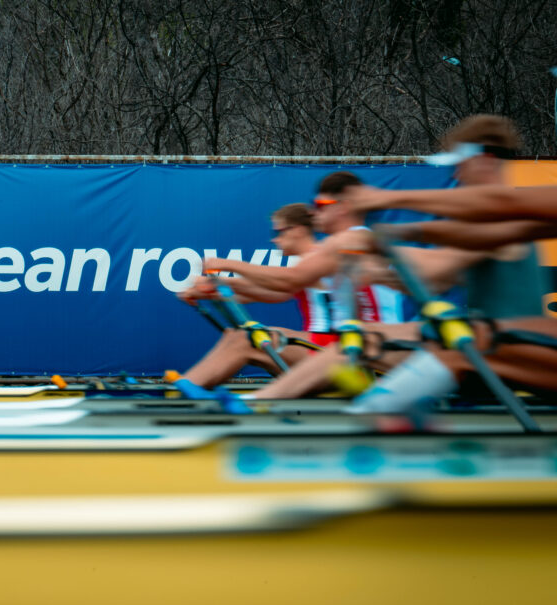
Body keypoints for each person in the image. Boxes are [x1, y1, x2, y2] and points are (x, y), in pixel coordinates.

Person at [252, 115, 548, 400]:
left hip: (504, 350)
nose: (456, 173)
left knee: (361, 339)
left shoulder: (497, 216)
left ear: (485, 158)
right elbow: (440, 280)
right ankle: (267, 401)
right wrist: (381, 273)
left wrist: (377, 242)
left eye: (460, 163)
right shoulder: (494, 218)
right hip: (485, 343)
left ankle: (261, 405)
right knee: (361, 337)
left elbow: (436, 268)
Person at [175, 203, 332, 388]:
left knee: (246, 339)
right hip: (319, 344)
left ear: (297, 230)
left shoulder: (318, 259)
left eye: (278, 232)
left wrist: (227, 265)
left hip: (329, 347)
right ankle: (189, 389)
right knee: (235, 335)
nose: (274, 240)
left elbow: (282, 284)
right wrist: (211, 291)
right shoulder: (309, 263)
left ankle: (184, 392)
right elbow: (269, 293)